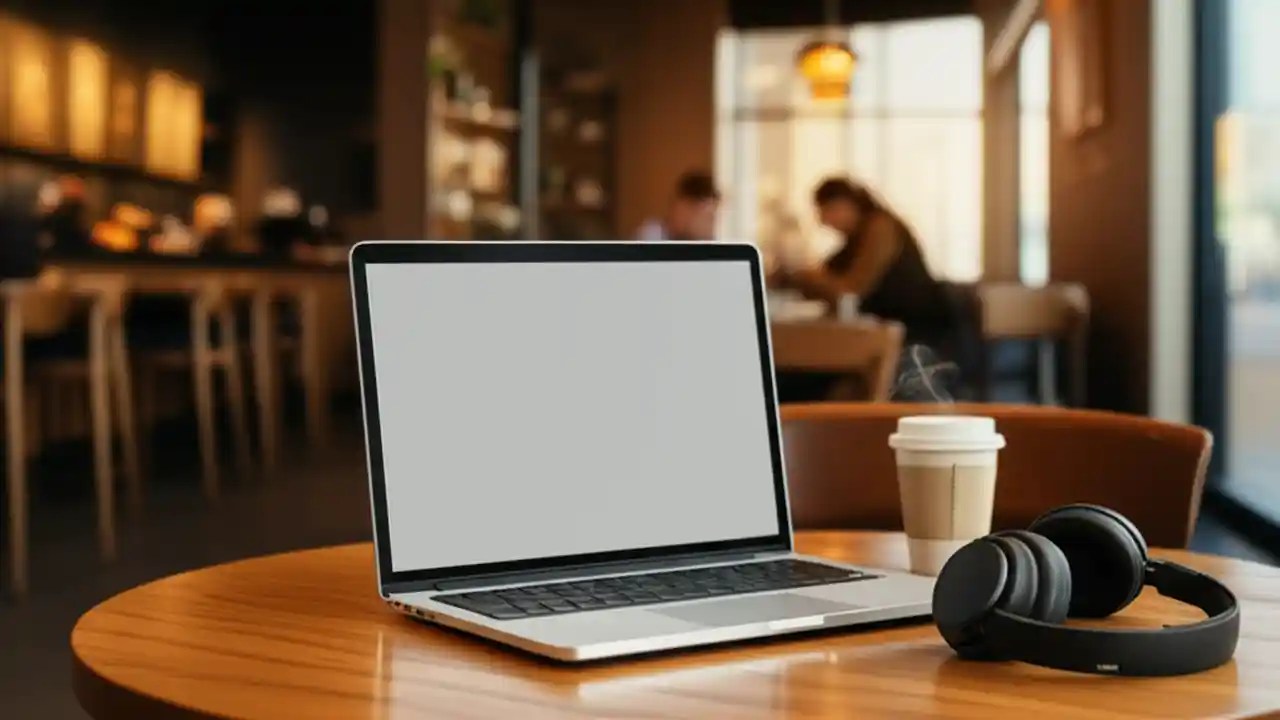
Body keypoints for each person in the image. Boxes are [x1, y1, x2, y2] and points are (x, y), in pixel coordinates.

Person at [773, 177, 955, 347]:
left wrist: (807, 276)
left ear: (845, 204)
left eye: (826, 212)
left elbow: (850, 292)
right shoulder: (853, 241)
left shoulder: (880, 228)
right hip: (882, 328)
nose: (823, 222)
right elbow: (826, 278)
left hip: (910, 331)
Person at [636, 171, 720, 241]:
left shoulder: (707, 243)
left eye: (711, 218)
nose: (710, 227)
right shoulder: (651, 235)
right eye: (708, 218)